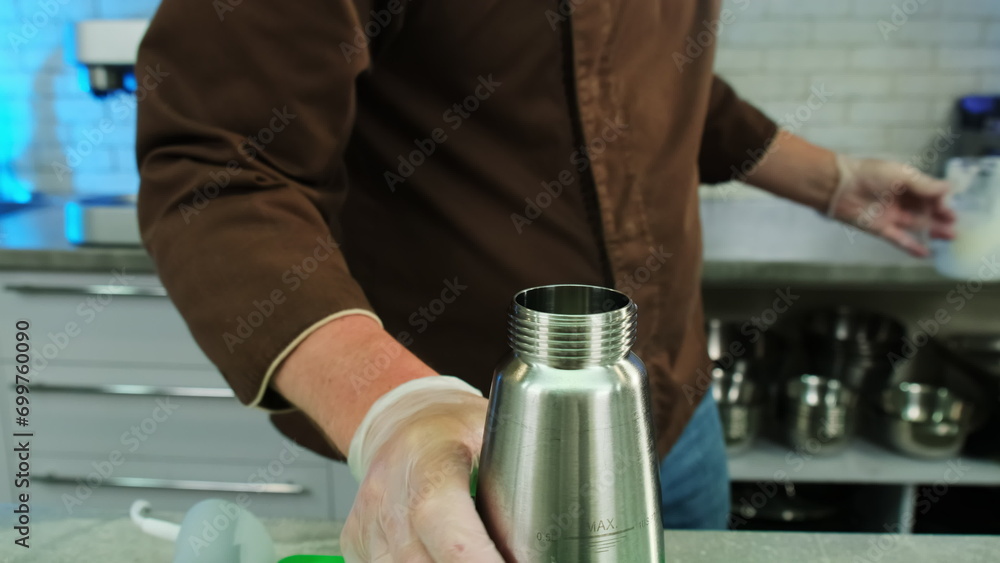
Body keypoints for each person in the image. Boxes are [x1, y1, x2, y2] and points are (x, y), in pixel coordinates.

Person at [135, 1, 956, 561]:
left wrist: (833, 181)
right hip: (461, 466)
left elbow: (660, 82)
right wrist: (392, 406)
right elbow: (218, 167)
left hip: (673, 412)